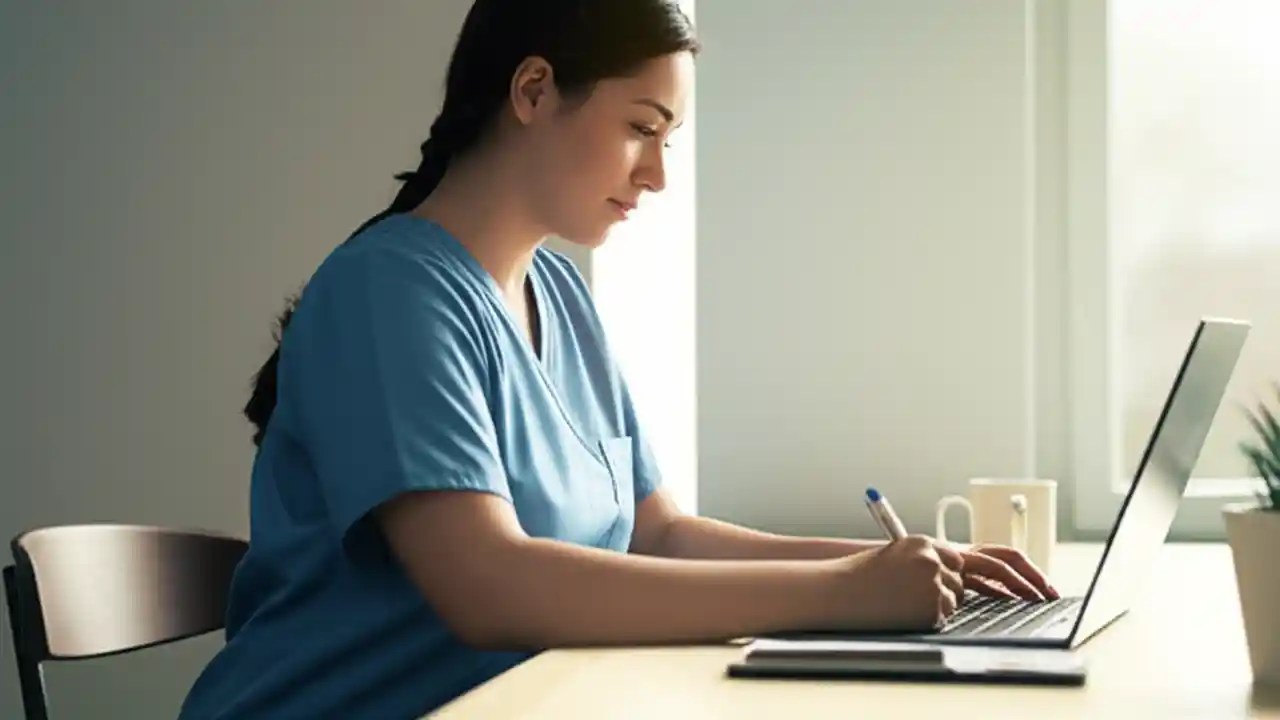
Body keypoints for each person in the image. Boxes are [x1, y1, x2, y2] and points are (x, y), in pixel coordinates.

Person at [179, 1, 1056, 717]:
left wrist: (898, 572)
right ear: (532, 90)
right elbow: (490, 587)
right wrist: (840, 594)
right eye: (644, 128)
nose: (658, 176)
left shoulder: (560, 294)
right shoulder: (391, 293)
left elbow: (658, 534)